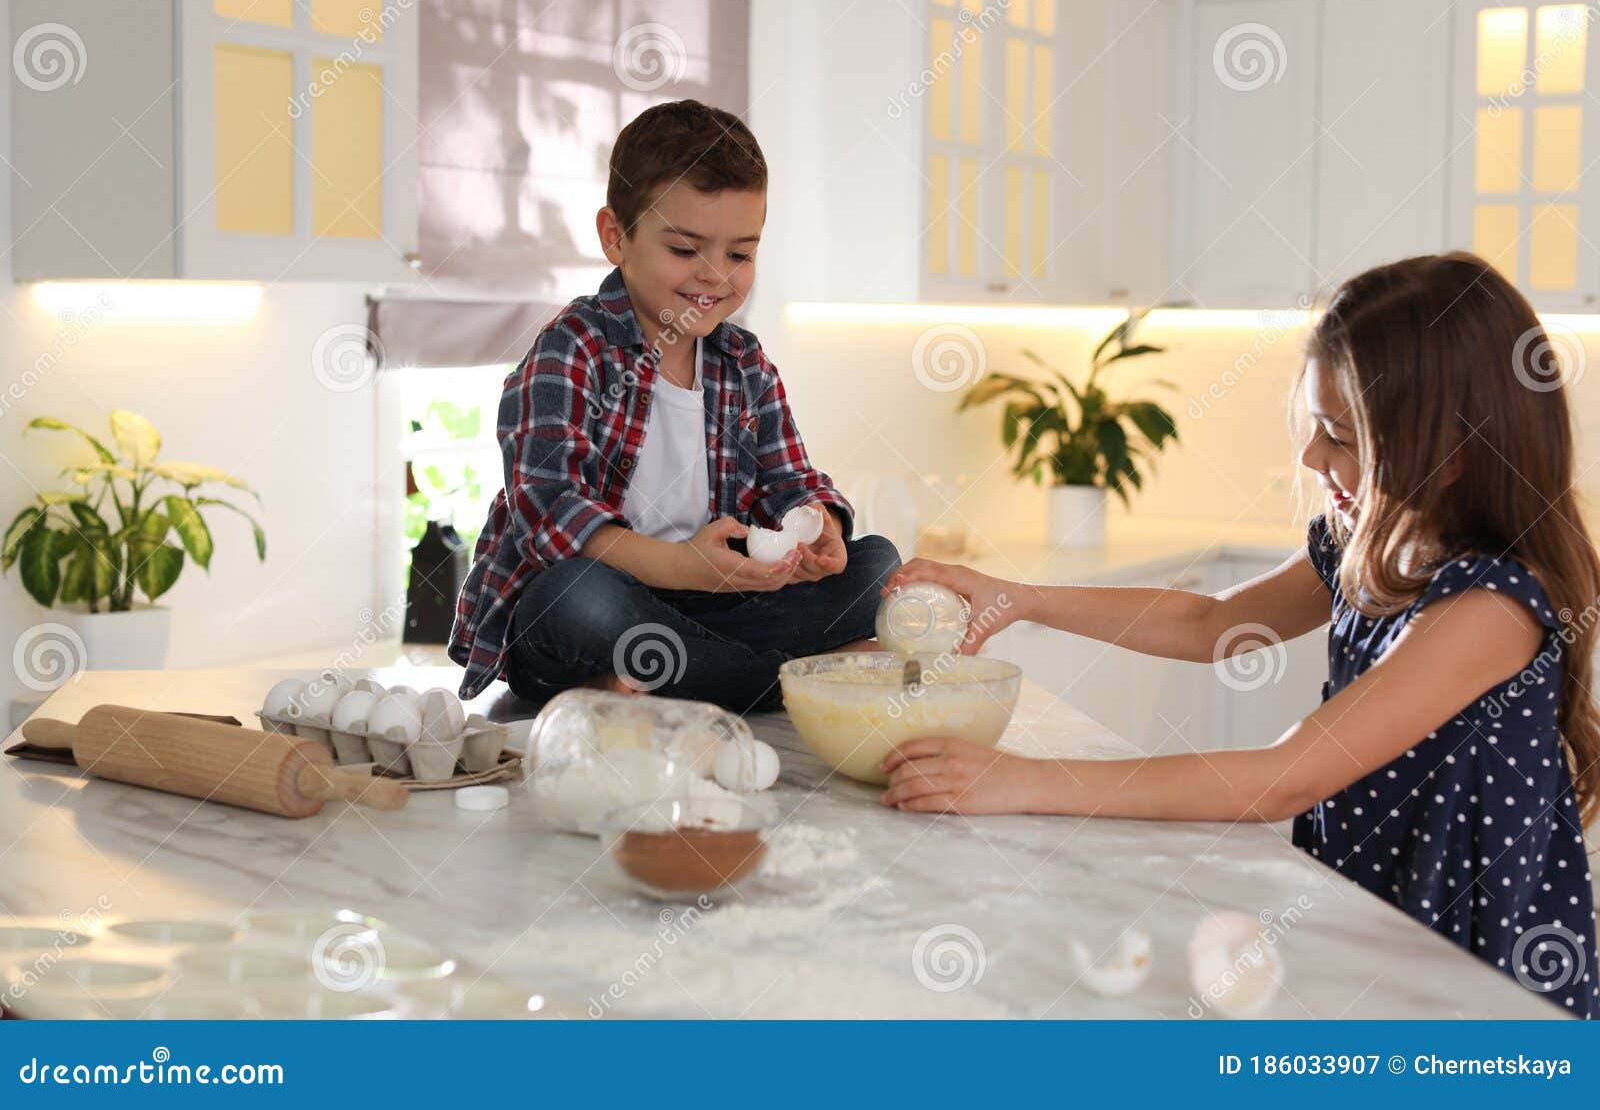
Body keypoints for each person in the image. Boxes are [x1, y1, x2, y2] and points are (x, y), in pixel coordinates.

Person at [880, 252, 1600, 1017]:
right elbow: (1212, 621)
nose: (1311, 456)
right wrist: (1018, 598)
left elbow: (1286, 775)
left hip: (1479, 983)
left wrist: (1023, 780)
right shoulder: (1371, 541)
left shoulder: (1492, 610)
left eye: (1341, 436)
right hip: (1378, 934)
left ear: (1451, 456)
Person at [449, 100, 898, 713]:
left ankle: (672, 677)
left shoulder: (744, 361)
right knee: (576, 597)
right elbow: (548, 512)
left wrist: (820, 526)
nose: (716, 275)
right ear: (616, 237)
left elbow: (789, 479)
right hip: (603, 600)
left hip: (712, 603)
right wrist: (681, 566)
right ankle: (776, 680)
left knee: (875, 565)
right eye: (686, 250)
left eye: (740, 254)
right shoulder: (573, 349)